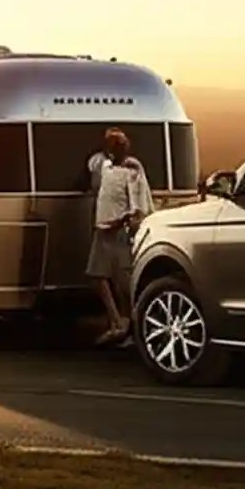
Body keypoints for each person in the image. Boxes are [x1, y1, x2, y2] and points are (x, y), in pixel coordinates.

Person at [85, 128, 155, 346]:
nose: (115, 149)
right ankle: (117, 322)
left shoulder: (132, 169)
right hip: (103, 229)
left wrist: (123, 222)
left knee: (124, 283)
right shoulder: (105, 166)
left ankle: (131, 328)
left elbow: (138, 203)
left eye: (118, 144)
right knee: (98, 276)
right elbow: (97, 178)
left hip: (119, 231)